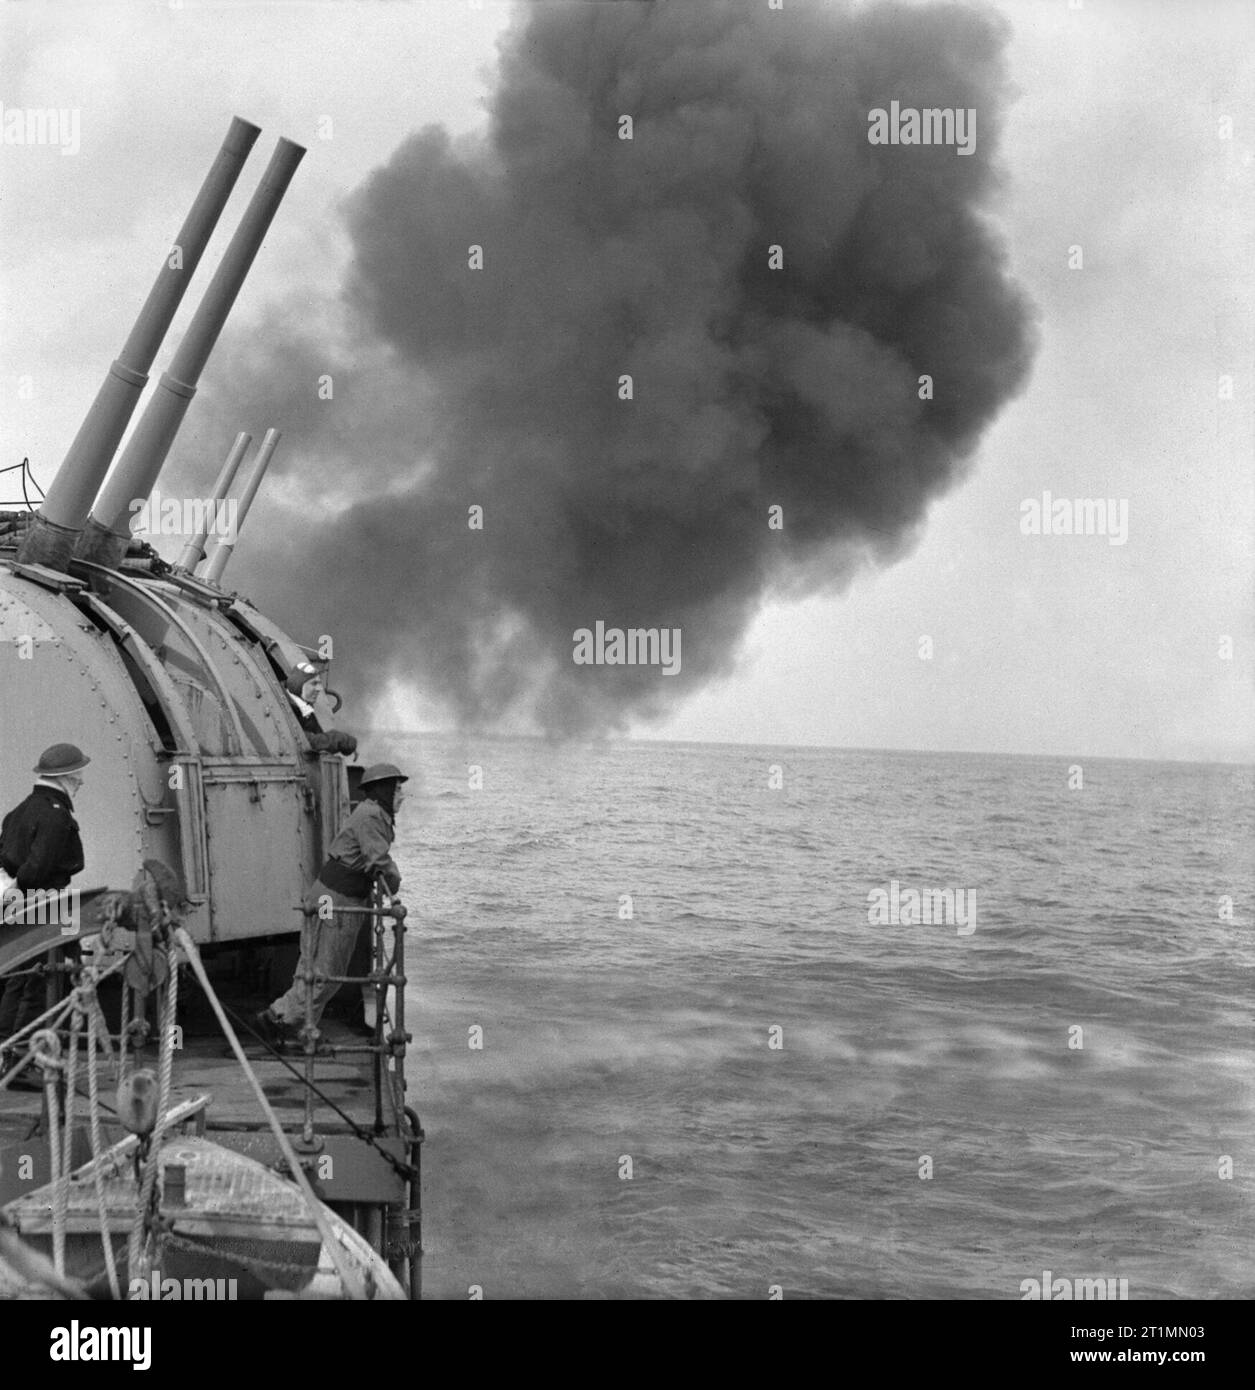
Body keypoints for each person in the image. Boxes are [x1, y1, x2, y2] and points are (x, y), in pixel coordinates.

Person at [256, 762, 408, 1046]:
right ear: (384, 790)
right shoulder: (373, 817)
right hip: (335, 900)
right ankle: (279, 1019)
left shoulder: (370, 813)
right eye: (398, 790)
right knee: (327, 970)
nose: (402, 796)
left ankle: (292, 1022)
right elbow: (378, 860)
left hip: (326, 895)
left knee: (315, 966)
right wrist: (394, 882)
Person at [0, 744, 89, 1083]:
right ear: (64, 777)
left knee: (18, 979)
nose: (81, 781)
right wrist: (24, 888)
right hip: (45, 901)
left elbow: (3, 856)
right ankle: (27, 1058)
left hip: (20, 901)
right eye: (77, 775)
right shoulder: (55, 814)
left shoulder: (20, 811)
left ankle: (9, 1053)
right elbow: (39, 866)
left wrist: (10, 892)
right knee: (44, 978)